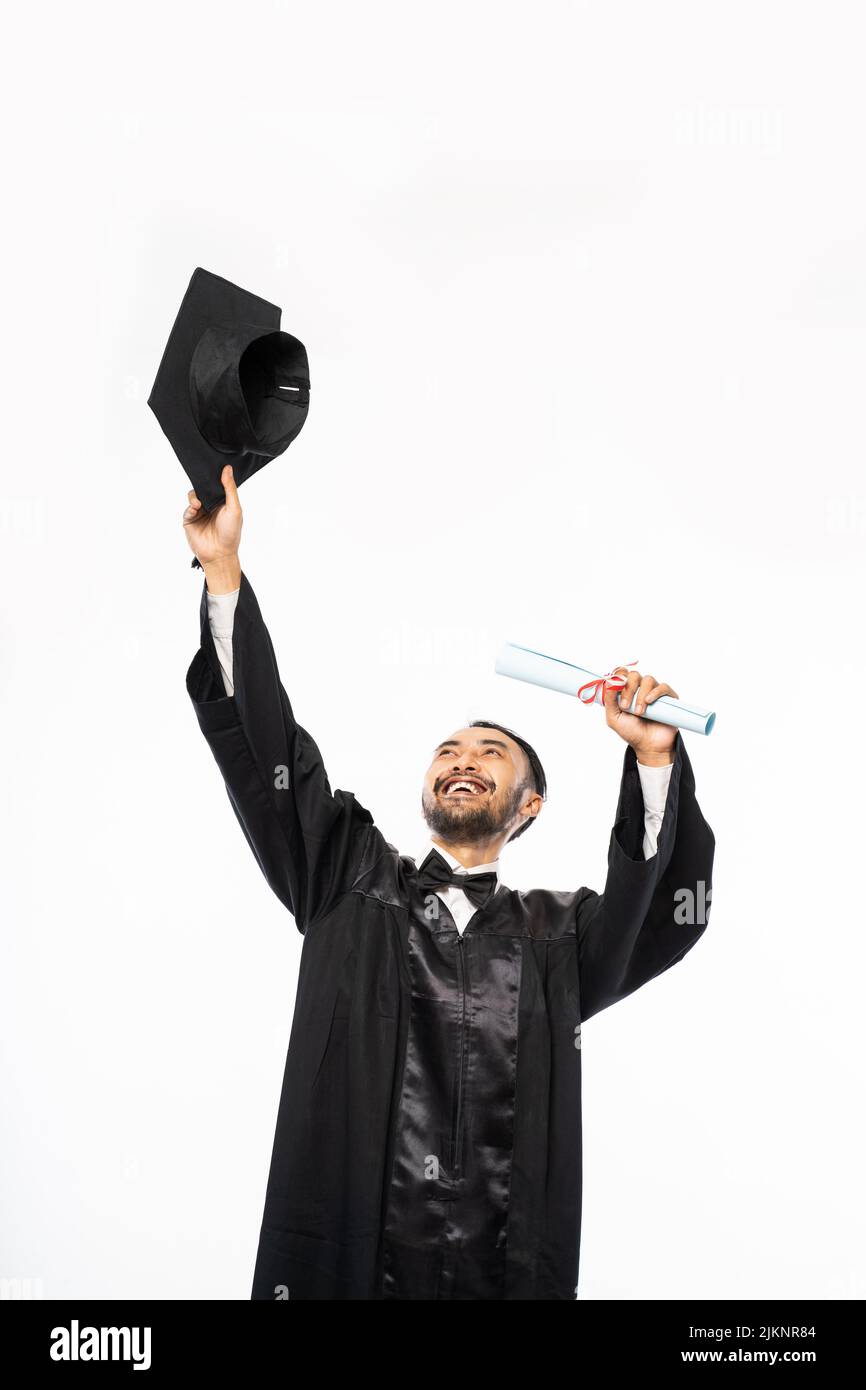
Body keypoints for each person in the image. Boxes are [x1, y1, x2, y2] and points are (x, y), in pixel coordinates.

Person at [182, 464, 715, 1301]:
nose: (464, 759)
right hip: (345, 1261)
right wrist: (223, 577)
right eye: (450, 752)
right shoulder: (343, 874)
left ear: (529, 804)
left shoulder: (560, 940)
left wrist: (653, 756)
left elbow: (663, 919)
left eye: (491, 753)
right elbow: (268, 749)